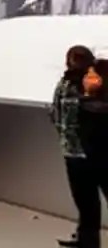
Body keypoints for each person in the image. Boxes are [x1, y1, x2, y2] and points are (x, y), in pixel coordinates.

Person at [53, 46, 98, 247]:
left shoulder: (90, 85)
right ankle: (87, 239)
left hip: (89, 151)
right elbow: (56, 112)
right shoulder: (67, 84)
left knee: (87, 200)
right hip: (77, 151)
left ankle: (87, 239)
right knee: (85, 200)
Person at [75, 59, 108, 248]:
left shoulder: (90, 106)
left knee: (88, 210)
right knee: (88, 211)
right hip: (92, 163)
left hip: (96, 162)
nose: (86, 79)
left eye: (91, 75)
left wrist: (86, 96)